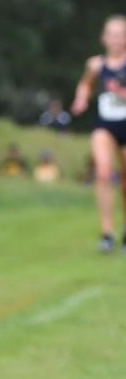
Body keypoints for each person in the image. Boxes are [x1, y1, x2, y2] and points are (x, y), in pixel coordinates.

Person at [70, 15, 126, 252]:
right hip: (104, 124)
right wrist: (81, 98)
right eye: (111, 34)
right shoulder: (95, 65)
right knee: (103, 172)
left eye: (121, 35)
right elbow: (85, 84)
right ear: (103, 38)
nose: (116, 39)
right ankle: (107, 233)